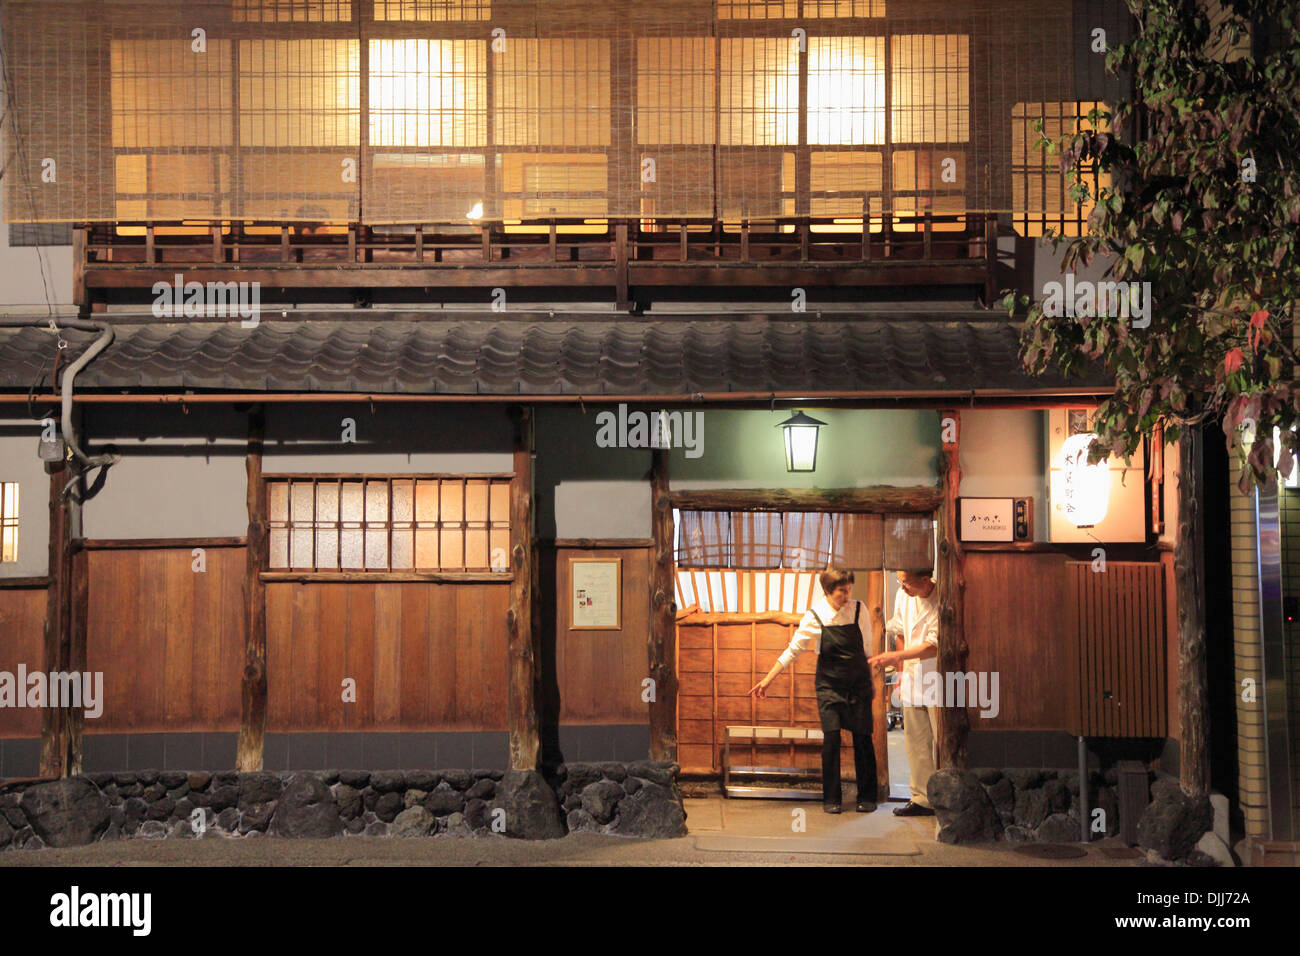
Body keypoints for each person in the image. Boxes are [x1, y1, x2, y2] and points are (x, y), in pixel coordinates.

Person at [749, 568, 877, 814]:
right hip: (829, 685)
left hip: (858, 683)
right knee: (831, 739)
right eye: (842, 590)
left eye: (849, 588)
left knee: (863, 738)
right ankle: (832, 798)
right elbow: (793, 650)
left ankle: (867, 796)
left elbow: (868, 649)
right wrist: (767, 679)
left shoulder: (859, 609)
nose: (847, 594)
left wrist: (871, 683)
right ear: (828, 591)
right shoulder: (815, 615)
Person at [869, 569, 939, 817]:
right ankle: (922, 798)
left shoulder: (941, 597)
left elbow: (933, 646)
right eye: (900, 582)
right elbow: (899, 632)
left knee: (942, 742)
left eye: (907, 582)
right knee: (916, 742)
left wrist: (896, 656)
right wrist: (899, 673)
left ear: (925, 579)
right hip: (910, 676)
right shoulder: (903, 595)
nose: (903, 588)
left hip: (939, 679)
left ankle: (945, 797)